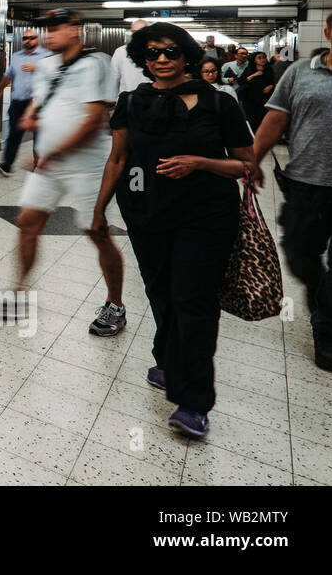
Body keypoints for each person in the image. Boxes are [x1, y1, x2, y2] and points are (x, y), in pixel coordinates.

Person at [92, 23, 255, 438]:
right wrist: (99, 213)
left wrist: (199, 163)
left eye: (170, 52)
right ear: (142, 59)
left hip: (206, 216)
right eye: (151, 53)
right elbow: (117, 159)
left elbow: (246, 165)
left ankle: (194, 401)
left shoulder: (219, 104)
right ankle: (166, 359)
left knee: (193, 297)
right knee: (161, 290)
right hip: (146, 212)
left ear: (187, 56)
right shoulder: (132, 101)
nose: (161, 59)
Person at [12, 9, 127, 336]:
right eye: (46, 28)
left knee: (97, 233)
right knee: (27, 223)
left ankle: (115, 304)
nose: (49, 34)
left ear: (76, 29)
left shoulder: (96, 63)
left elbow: (93, 120)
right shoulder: (47, 64)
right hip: (49, 162)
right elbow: (40, 100)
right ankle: (20, 290)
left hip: (87, 164)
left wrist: (56, 152)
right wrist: (31, 120)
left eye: (56, 27)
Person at [252, 7, 332, 373]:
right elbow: (276, 119)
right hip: (307, 183)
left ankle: (329, 333)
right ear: (329, 30)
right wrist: (251, 160)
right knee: (300, 254)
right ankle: (325, 299)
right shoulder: (300, 72)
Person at [0, 28, 51, 176]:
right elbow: (8, 75)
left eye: (31, 38)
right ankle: (7, 165)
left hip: (38, 103)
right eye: (25, 38)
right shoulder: (16, 56)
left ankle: (39, 166)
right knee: (13, 135)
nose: (27, 41)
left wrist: (37, 67)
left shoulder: (47, 56)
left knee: (40, 136)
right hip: (18, 102)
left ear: (38, 39)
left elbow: (55, 74)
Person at [238, 52, 275, 131]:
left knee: (263, 118)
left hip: (264, 99)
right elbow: (241, 81)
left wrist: (271, 86)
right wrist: (254, 75)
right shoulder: (249, 69)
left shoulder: (269, 69)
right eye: (259, 58)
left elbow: (274, 81)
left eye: (264, 57)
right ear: (254, 60)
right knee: (251, 119)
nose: (262, 60)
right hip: (250, 98)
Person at [112, 19, 150, 94]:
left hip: (151, 99)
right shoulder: (120, 52)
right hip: (127, 100)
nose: (137, 35)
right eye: (134, 32)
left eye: (140, 31)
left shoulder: (155, 51)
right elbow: (113, 78)